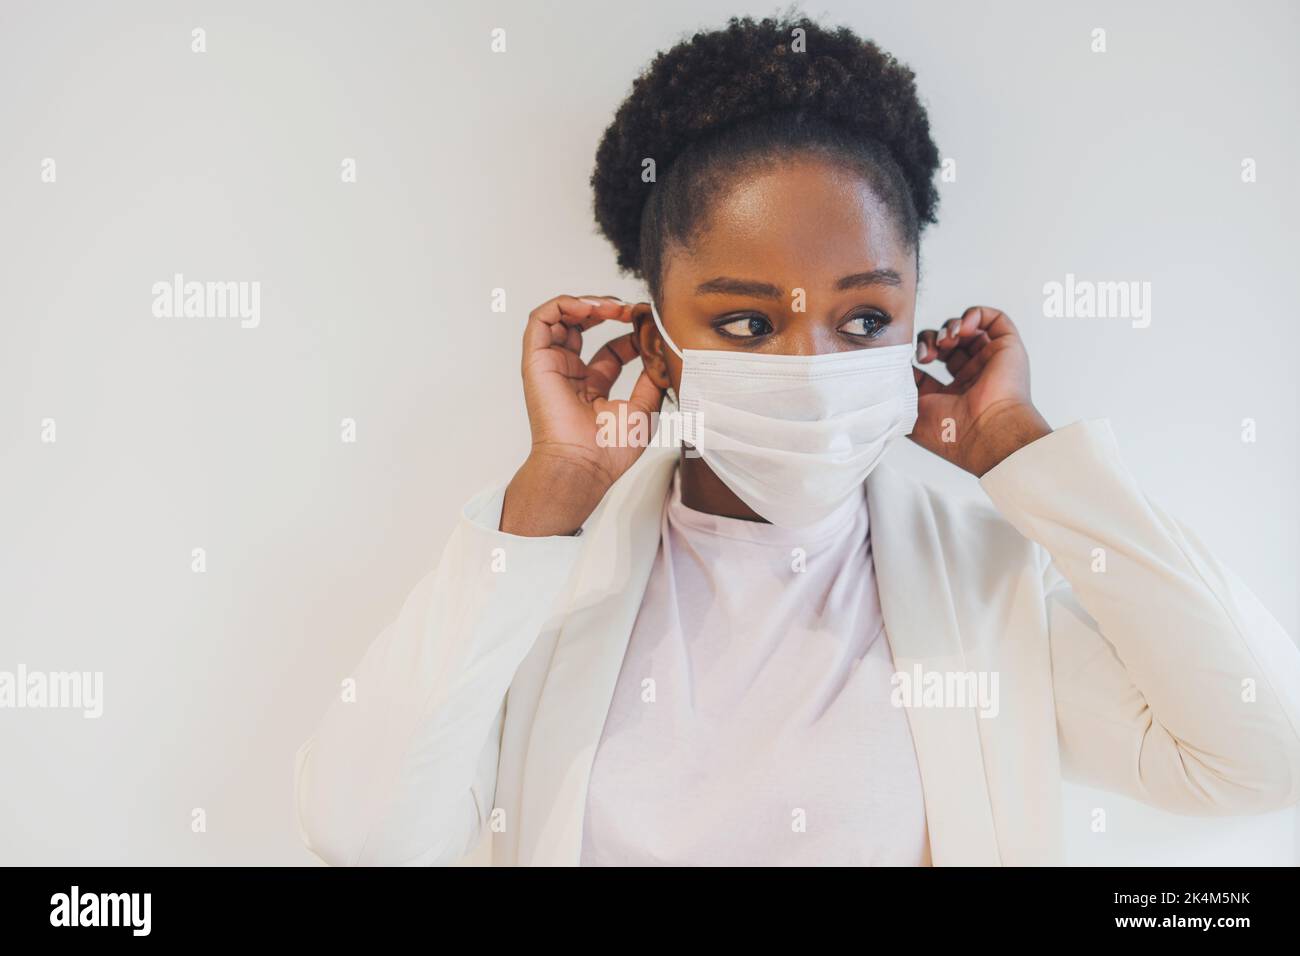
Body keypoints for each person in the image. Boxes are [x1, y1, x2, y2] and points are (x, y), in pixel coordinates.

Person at [292, 14, 1300, 866]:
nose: (812, 367)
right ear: (657, 343)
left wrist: (1019, 449)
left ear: (912, 324)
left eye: (862, 321)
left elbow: (1260, 752)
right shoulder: (548, 590)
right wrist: (550, 493)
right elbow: (366, 832)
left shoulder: (987, 594)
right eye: (745, 322)